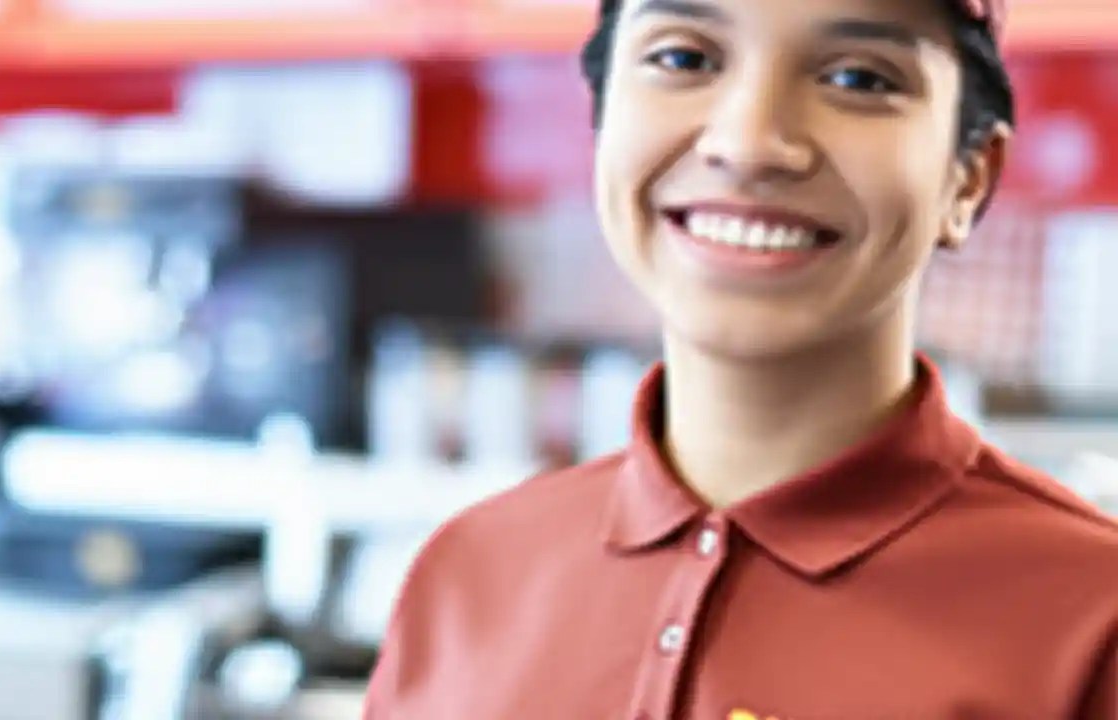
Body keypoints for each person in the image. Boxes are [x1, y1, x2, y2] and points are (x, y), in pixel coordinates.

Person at [364, 0, 1118, 717]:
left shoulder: (1092, 618)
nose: (751, 142)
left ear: (969, 177)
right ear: (600, 119)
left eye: (859, 78)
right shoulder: (467, 576)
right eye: (684, 57)